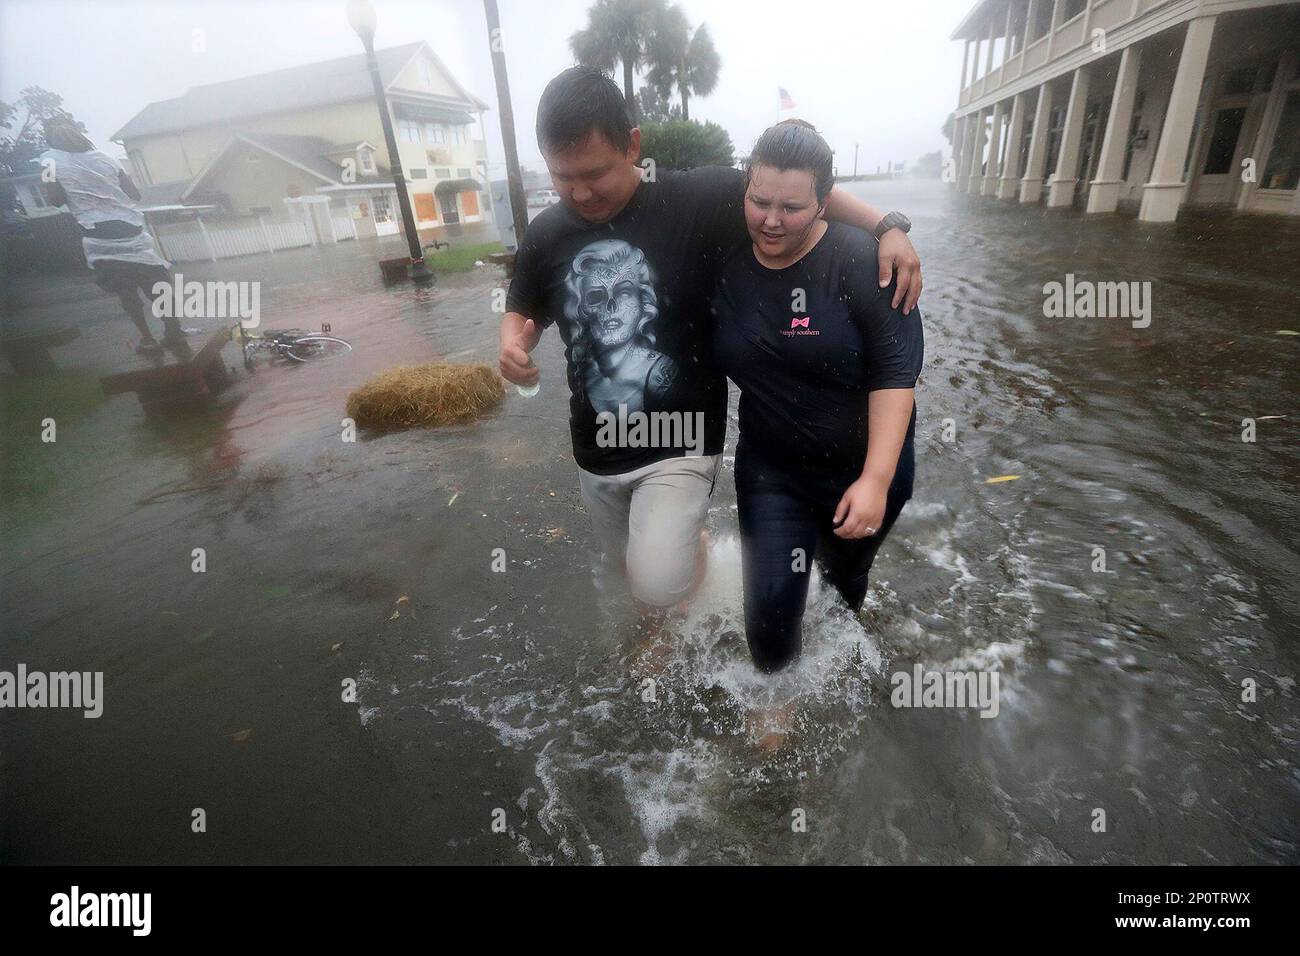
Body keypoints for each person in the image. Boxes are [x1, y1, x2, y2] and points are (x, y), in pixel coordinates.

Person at [499, 67, 923, 622]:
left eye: (594, 173)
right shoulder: (549, 231)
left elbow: (798, 191)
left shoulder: (698, 198)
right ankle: (656, 604)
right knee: (619, 565)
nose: (579, 192)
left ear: (632, 146)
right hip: (595, 445)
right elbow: (523, 304)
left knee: (656, 580)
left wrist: (887, 226)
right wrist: (512, 344)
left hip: (682, 438)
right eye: (562, 177)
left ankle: (680, 578)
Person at [712, 119, 924, 674]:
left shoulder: (868, 262)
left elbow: (896, 375)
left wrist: (875, 481)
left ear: (825, 202)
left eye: (792, 208)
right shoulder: (726, 255)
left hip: (867, 465)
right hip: (772, 466)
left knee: (842, 584)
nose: (771, 221)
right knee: (771, 613)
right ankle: (774, 719)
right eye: (759, 202)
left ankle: (847, 660)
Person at [40, 116, 183, 354]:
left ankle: (148, 339)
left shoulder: (48, 161)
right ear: (79, 134)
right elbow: (134, 194)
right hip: (131, 229)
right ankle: (173, 331)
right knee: (156, 284)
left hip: (99, 235)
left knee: (125, 291)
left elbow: (54, 200)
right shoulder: (106, 158)